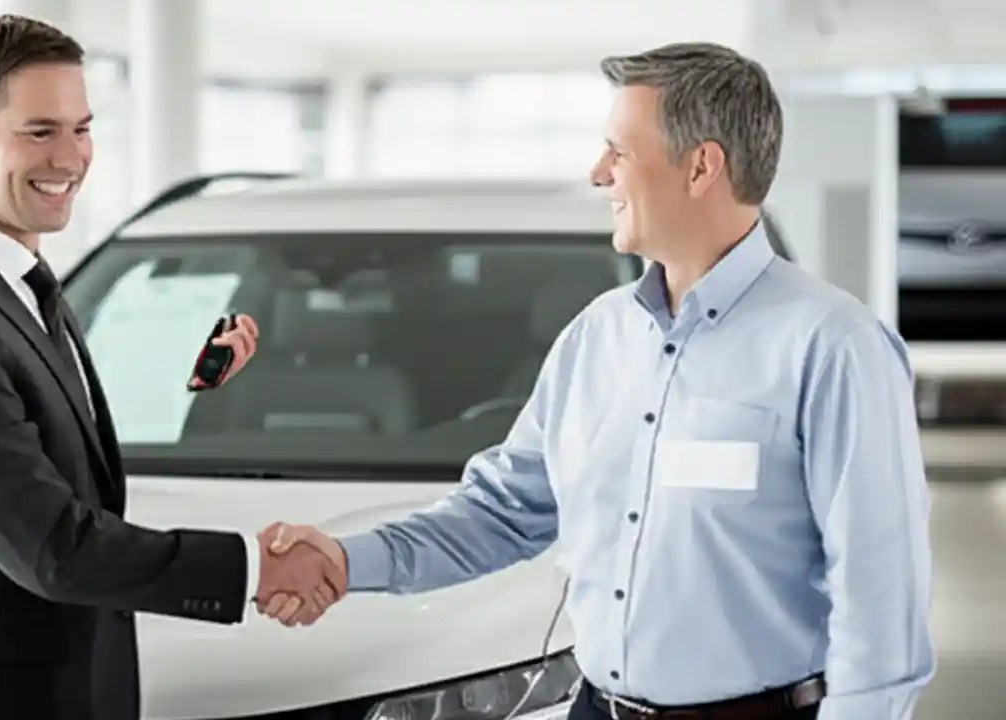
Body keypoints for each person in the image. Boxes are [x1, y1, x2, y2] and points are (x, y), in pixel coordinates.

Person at [261, 42, 935, 720]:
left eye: (619, 151)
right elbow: (502, 512)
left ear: (701, 166)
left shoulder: (835, 348)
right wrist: (347, 562)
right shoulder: (596, 338)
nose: (597, 174)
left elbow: (881, 605)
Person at [0, 14, 343, 720]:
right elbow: (55, 547)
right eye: (39, 132)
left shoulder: (14, 283)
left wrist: (203, 373)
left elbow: (50, 417)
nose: (71, 158)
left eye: (81, 128)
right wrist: (257, 568)